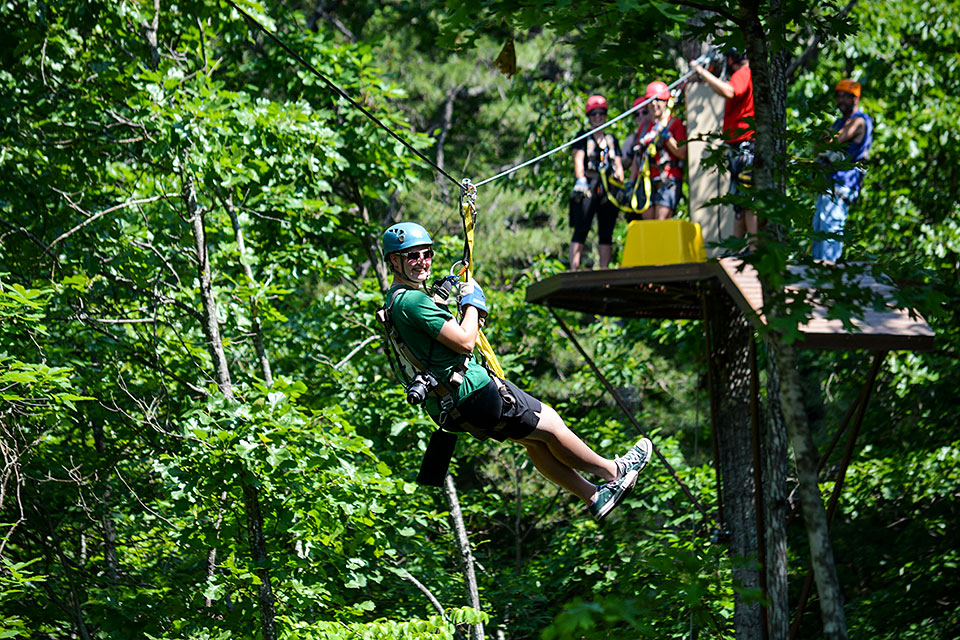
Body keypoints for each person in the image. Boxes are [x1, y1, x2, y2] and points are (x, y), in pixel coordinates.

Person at [379, 222, 653, 520]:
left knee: (534, 440)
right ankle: (614, 471)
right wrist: (473, 304)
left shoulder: (395, 302)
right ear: (395, 261)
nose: (422, 261)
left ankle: (593, 496)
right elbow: (465, 341)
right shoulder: (414, 301)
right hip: (475, 392)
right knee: (550, 423)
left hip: (452, 405)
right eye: (412, 256)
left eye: (426, 254)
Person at [690, 49, 757, 241]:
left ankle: (751, 247)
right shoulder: (748, 73)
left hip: (745, 146)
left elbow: (730, 91)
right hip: (739, 146)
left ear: (730, 59)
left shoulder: (743, 73)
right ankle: (738, 247)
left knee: (746, 199)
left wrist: (702, 72)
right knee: (739, 200)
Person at [812, 78, 874, 264]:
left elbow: (832, 141)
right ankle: (816, 276)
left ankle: (828, 275)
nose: (840, 101)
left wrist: (825, 140)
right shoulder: (840, 122)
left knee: (831, 231)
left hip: (843, 185)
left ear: (855, 99)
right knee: (819, 228)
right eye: (838, 97)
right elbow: (819, 145)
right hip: (829, 183)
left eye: (845, 97)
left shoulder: (860, 122)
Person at [569, 95, 625, 270]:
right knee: (581, 227)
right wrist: (580, 180)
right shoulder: (583, 137)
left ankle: (604, 269)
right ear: (589, 116)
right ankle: (574, 268)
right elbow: (578, 158)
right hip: (588, 187)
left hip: (607, 189)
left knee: (606, 231)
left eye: (601, 113)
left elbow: (617, 163)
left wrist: (620, 179)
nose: (598, 116)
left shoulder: (611, 140)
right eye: (594, 113)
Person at [626, 81, 688, 221]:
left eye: (658, 100)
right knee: (648, 225)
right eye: (650, 101)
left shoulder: (674, 124)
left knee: (660, 223)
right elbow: (638, 156)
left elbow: (681, 153)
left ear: (665, 101)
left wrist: (665, 135)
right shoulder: (644, 127)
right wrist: (631, 182)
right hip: (647, 180)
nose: (654, 104)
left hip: (667, 179)